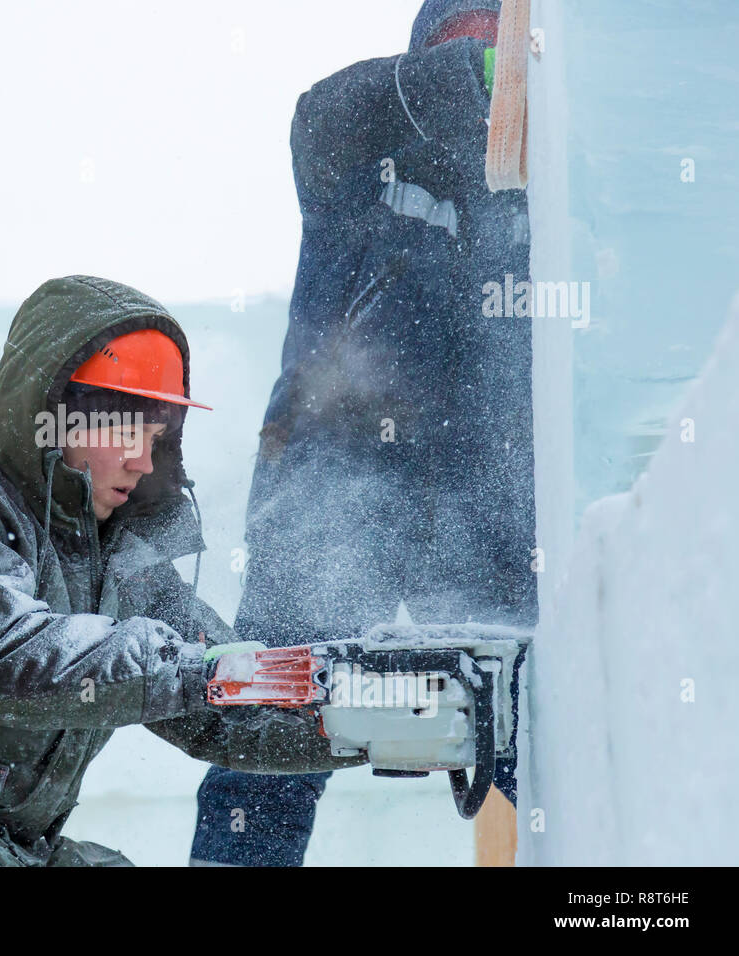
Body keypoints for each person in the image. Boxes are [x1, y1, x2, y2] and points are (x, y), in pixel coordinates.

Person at [0, 274, 365, 867]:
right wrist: (197, 672)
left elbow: (223, 703)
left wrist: (380, 717)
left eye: (157, 436)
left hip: (9, 844)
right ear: (59, 414)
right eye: (125, 430)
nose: (141, 458)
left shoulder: (123, 559)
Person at [189, 0, 535, 867]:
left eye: (506, 47)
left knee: (537, 726)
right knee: (267, 740)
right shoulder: (349, 137)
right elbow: (342, 105)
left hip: (487, 508)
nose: (486, 66)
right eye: (468, 42)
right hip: (331, 493)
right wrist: (516, 81)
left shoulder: (543, 198)